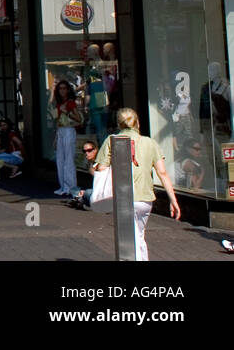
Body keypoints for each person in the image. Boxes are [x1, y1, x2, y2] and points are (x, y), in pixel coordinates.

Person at [98, 108, 181, 261]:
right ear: (137, 122)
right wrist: (173, 199)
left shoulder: (112, 140)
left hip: (123, 197)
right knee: (139, 235)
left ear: (118, 123)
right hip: (145, 198)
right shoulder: (150, 142)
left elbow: (101, 168)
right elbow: (162, 173)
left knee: (131, 239)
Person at [50, 80, 83, 196]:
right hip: (61, 130)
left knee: (68, 159)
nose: (62, 91)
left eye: (64, 88)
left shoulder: (70, 103)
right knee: (60, 159)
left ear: (68, 90)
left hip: (69, 130)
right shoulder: (60, 102)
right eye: (60, 89)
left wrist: (67, 112)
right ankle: (63, 186)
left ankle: (70, 186)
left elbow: (78, 119)